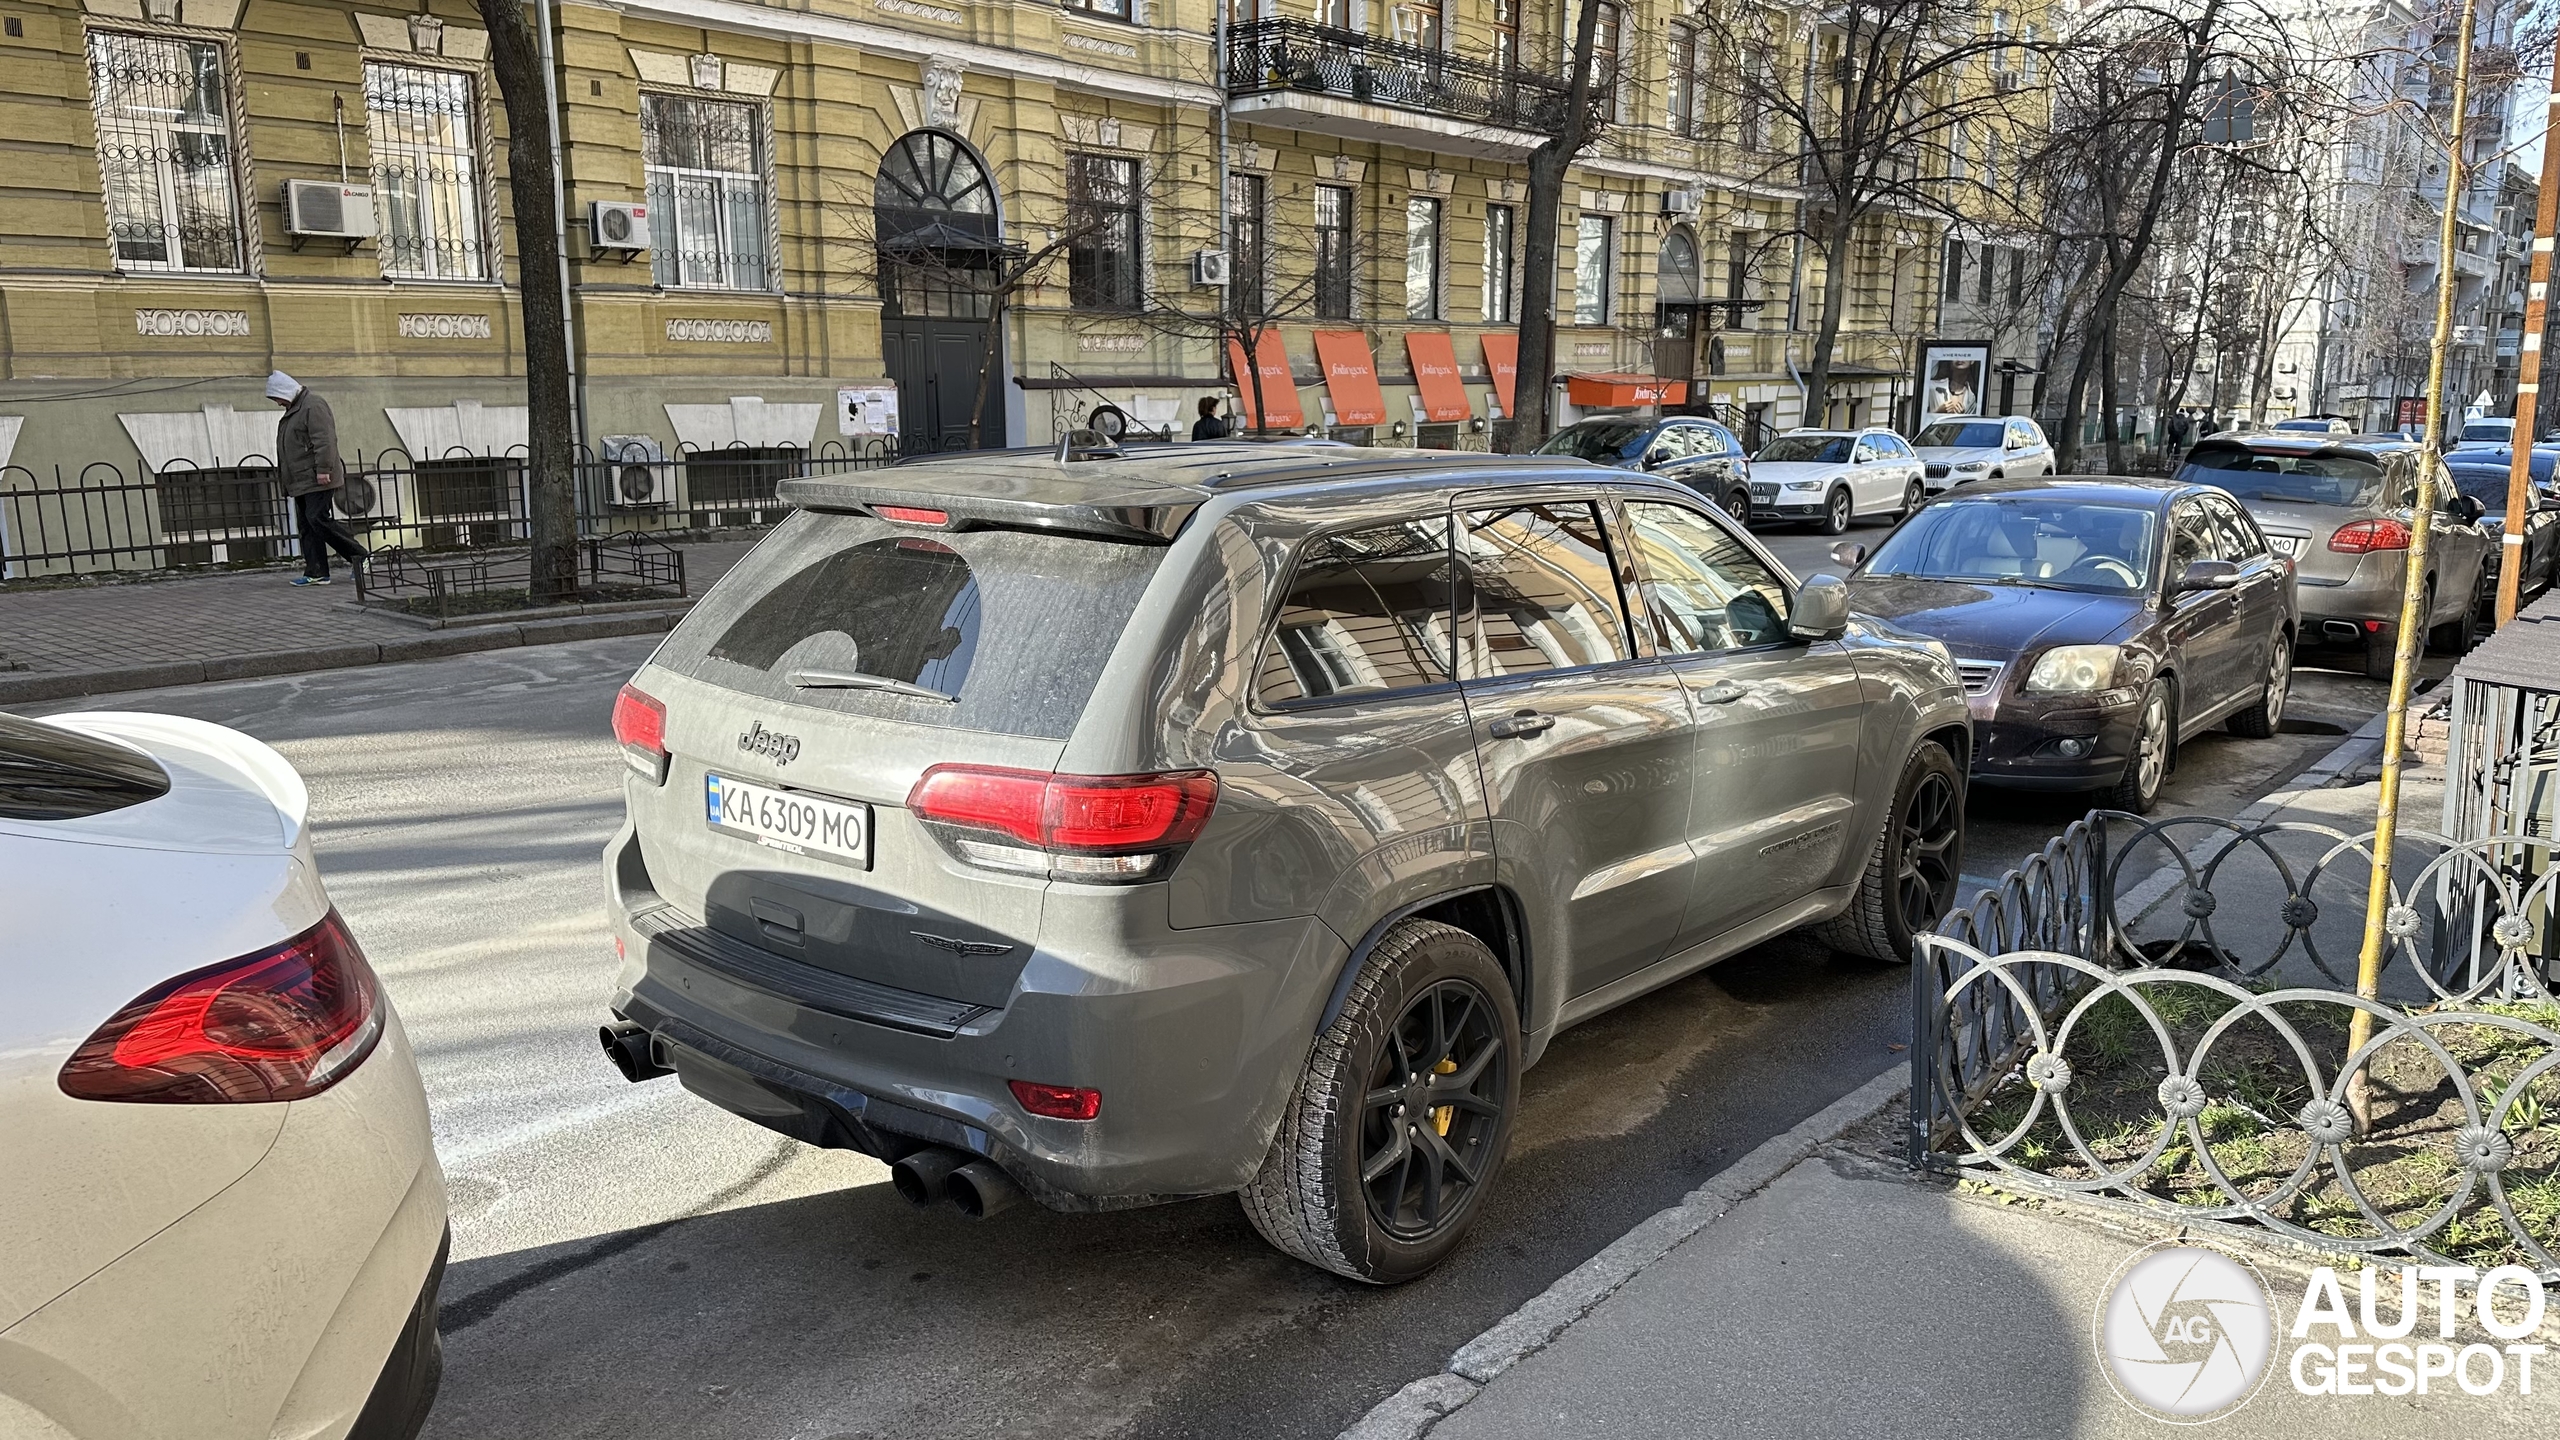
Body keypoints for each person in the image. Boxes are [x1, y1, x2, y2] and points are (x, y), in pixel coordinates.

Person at [269, 370, 368, 586]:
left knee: (317, 518)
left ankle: (360, 557)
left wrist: (324, 469)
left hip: (318, 477)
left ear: (285, 392)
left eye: (277, 397)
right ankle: (317, 571)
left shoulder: (313, 406)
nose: (277, 402)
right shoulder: (294, 410)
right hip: (301, 480)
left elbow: (325, 440)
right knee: (307, 525)